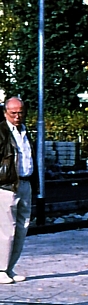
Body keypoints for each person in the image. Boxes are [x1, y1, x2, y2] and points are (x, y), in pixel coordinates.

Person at [0, 97, 34, 284]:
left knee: (22, 227)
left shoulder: (25, 131)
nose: (17, 116)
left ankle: (10, 267)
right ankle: (0, 269)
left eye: (20, 112)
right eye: (13, 113)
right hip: (6, 186)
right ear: (5, 112)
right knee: (7, 230)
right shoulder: (1, 132)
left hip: (25, 183)